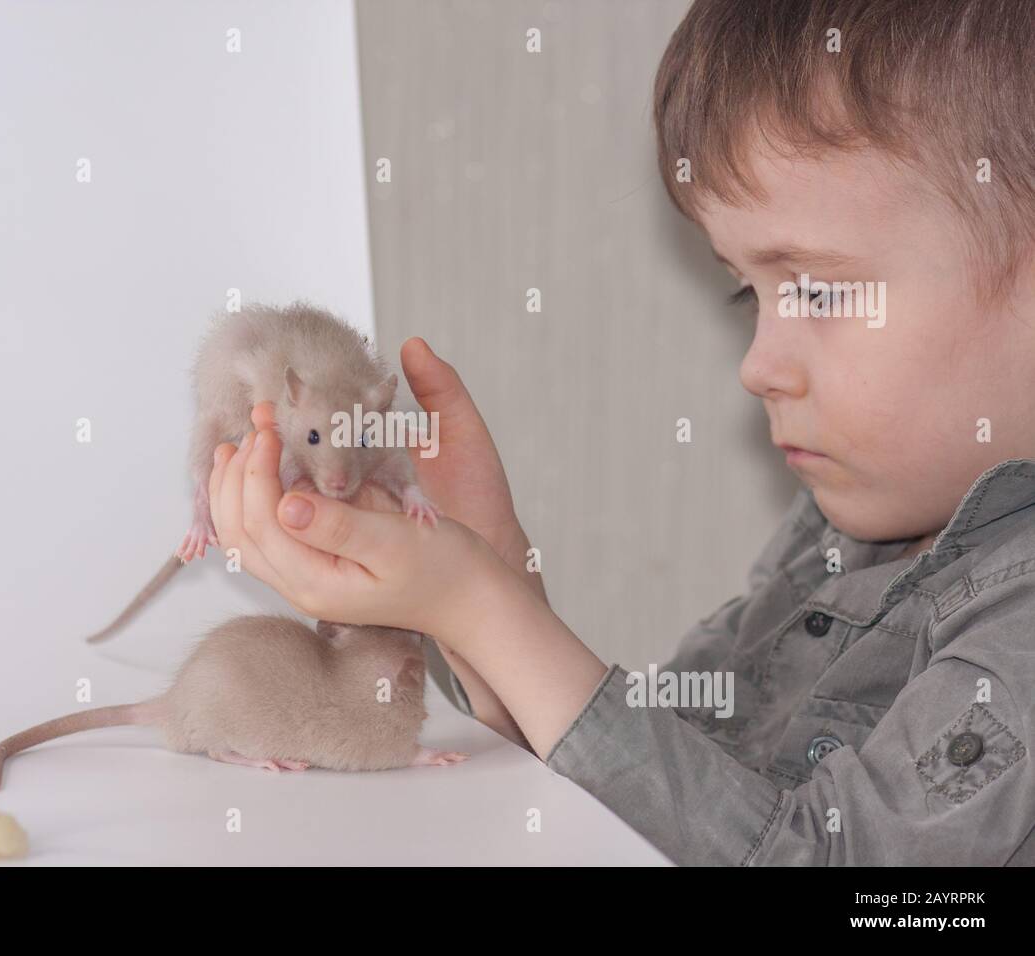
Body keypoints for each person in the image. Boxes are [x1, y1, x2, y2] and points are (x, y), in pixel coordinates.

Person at [205, 0, 1035, 865]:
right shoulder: (844, 529)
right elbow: (662, 782)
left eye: (821, 291)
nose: (758, 366)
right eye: (750, 294)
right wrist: (490, 575)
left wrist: (482, 611)